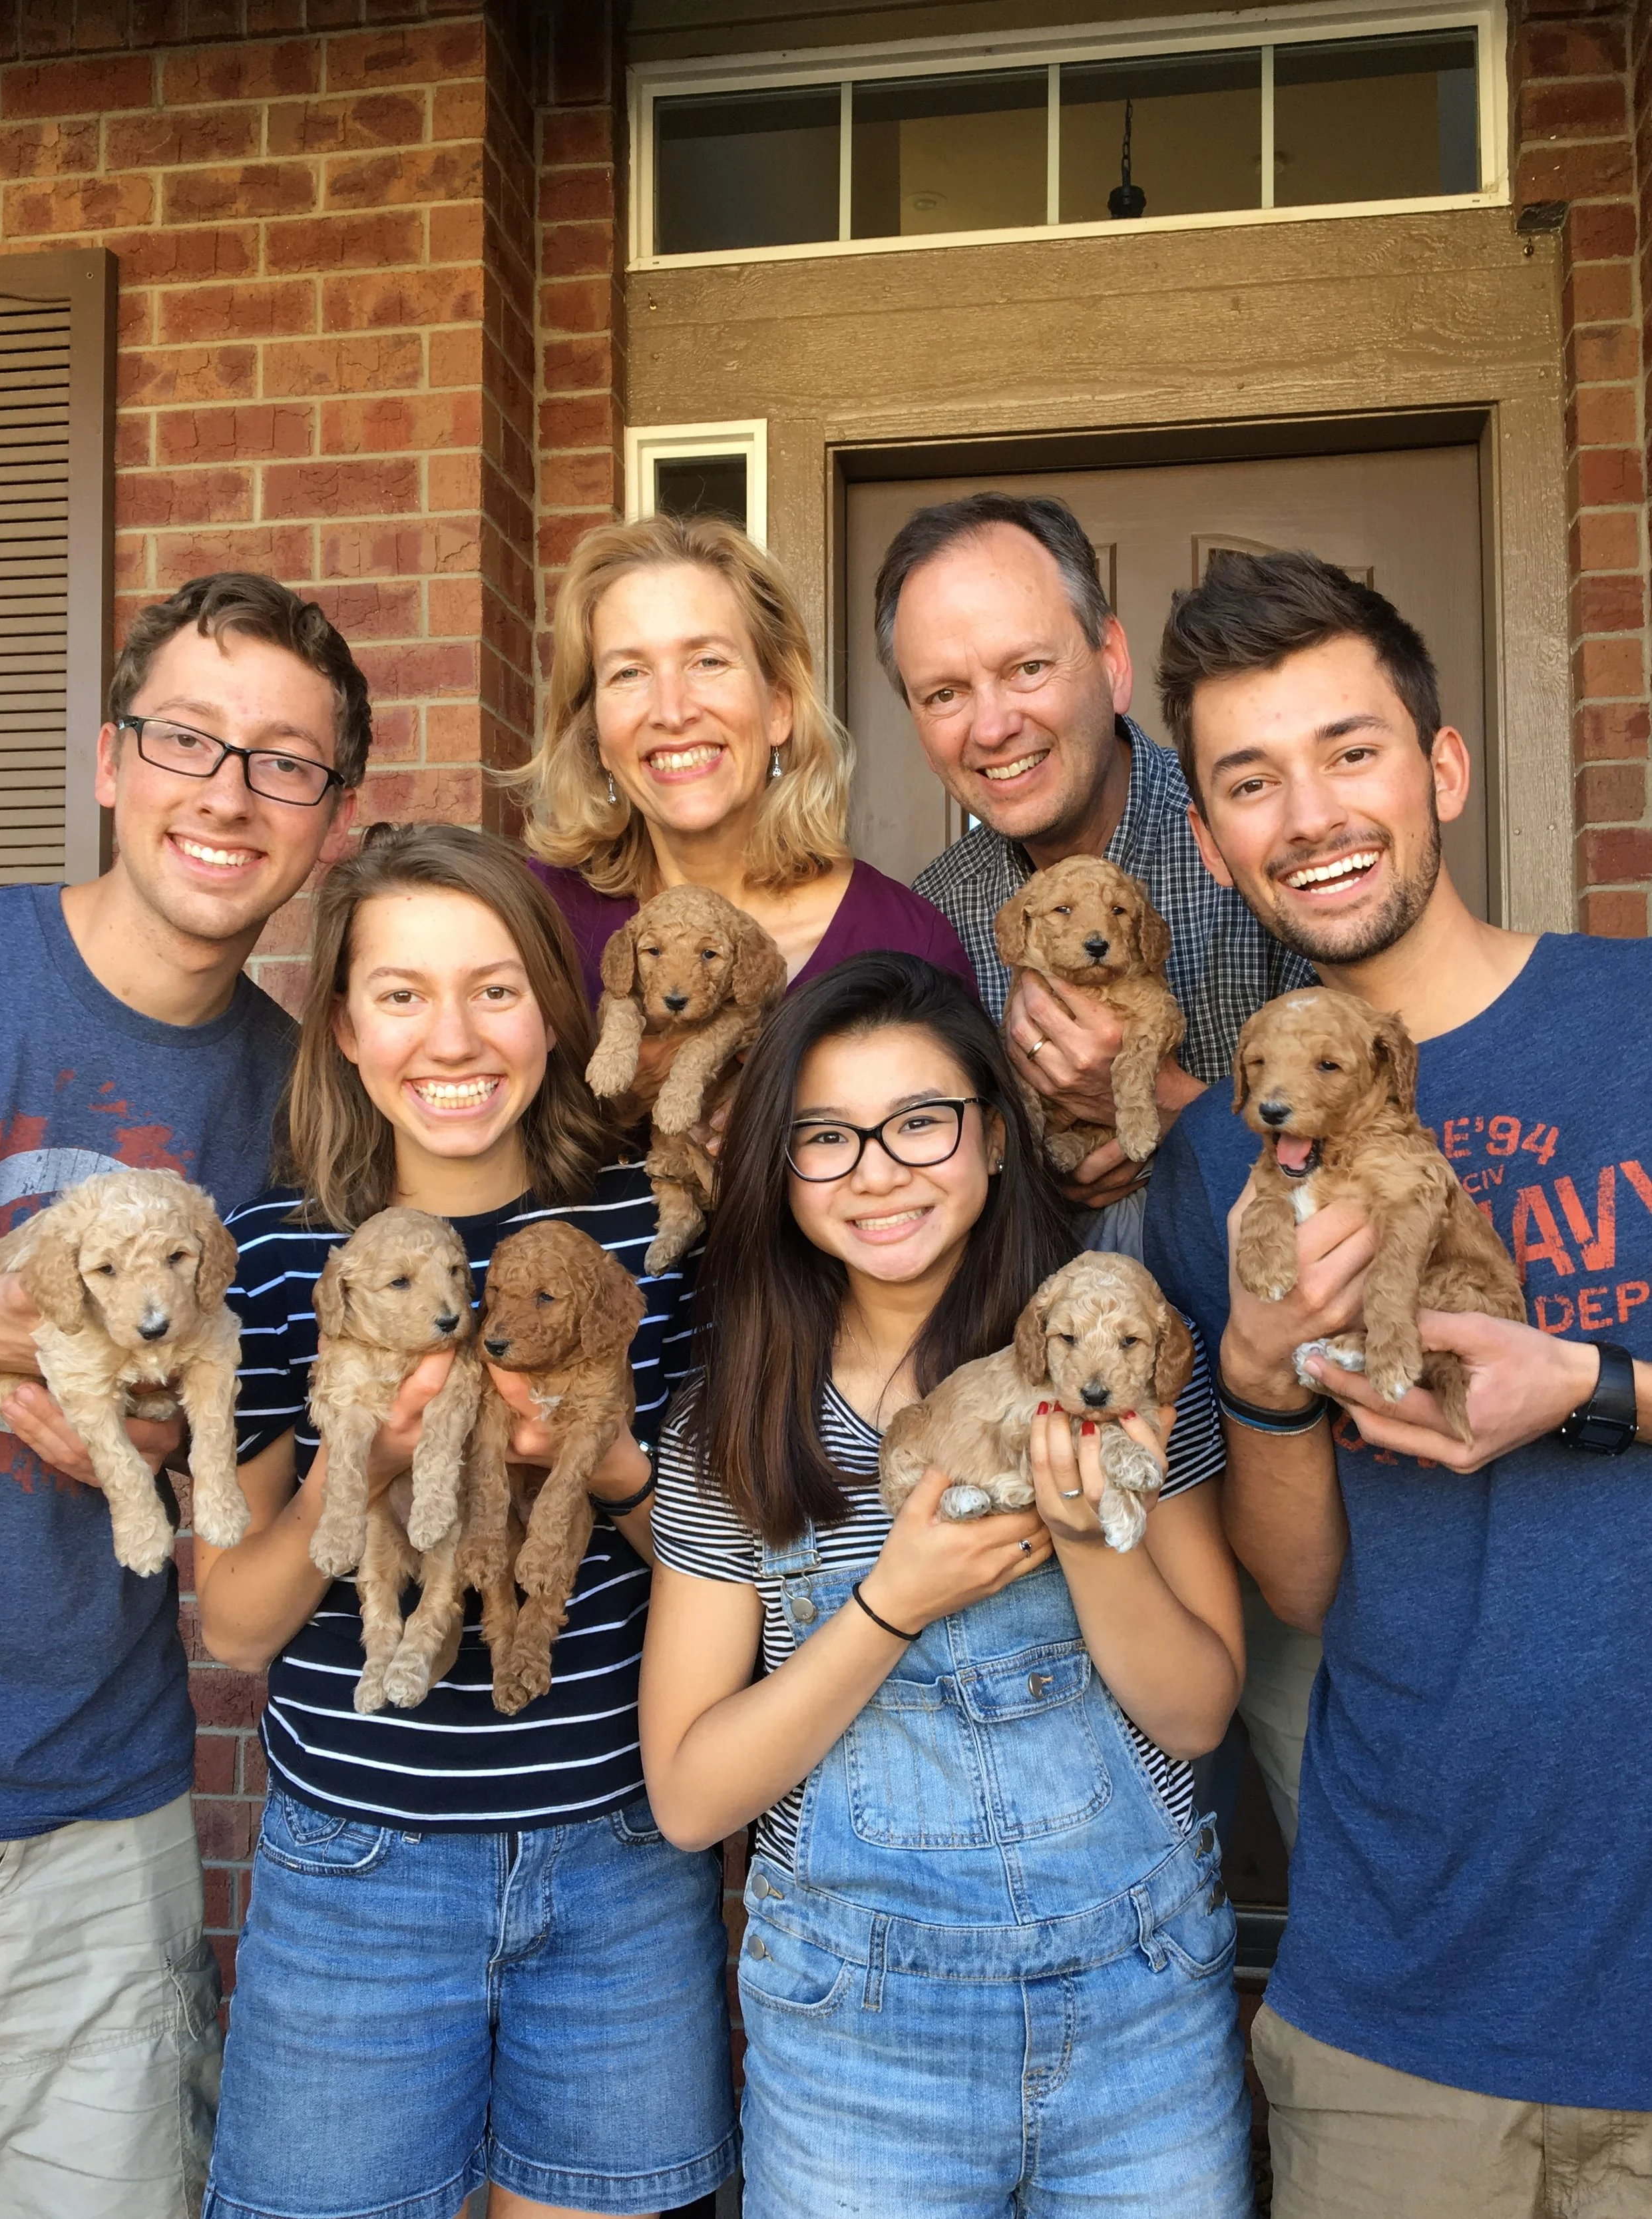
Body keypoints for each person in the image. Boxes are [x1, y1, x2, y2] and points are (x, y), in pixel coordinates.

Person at [1143, 549, 1652, 2214]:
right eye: (1250, 781)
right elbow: (1297, 1583)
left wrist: (1595, 1384)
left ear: (1438, 769)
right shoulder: (1217, 1159)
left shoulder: (1636, 1016)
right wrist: (1262, 1382)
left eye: (1349, 750)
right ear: (1213, 845)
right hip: (1403, 2007)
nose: (1308, 811)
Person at [642, 952, 1251, 2218]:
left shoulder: (1113, 1348)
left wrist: (1089, 1534)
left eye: (921, 1121)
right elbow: (694, 1794)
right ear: (781, 1167)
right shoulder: (733, 1423)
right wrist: (890, 1599)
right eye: (826, 1135)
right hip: (860, 2035)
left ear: (992, 1139)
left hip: (1140, 2007)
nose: (878, 1168)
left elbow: (1196, 1711)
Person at [196, 825, 735, 2219]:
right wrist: (350, 1470)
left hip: (618, 1864)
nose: (453, 1035)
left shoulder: (644, 1234)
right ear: (344, 1027)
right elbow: (240, 1618)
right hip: (358, 1870)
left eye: (495, 988)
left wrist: (610, 1470)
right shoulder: (280, 1252)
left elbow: (723, 1571)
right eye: (401, 993)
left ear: (556, 1018)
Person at [0, 573, 366, 2219]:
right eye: (189, 739)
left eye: (284, 762)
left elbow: (254, 1471)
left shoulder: (307, 1116)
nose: (227, 791)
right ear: (109, 760)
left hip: (89, 1817)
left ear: (335, 818)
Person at [879, 492, 1311, 1219]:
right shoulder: (931, 920)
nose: (992, 727)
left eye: (1026, 668)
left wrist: (1174, 1109)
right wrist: (1022, 1182)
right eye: (945, 693)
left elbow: (1386, 1124)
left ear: (1111, 662)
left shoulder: (1253, 837)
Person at [521, 512, 976, 1007]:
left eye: (708, 661)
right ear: (596, 734)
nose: (672, 711)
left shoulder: (906, 943)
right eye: (629, 673)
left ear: (779, 706)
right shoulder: (535, 919)